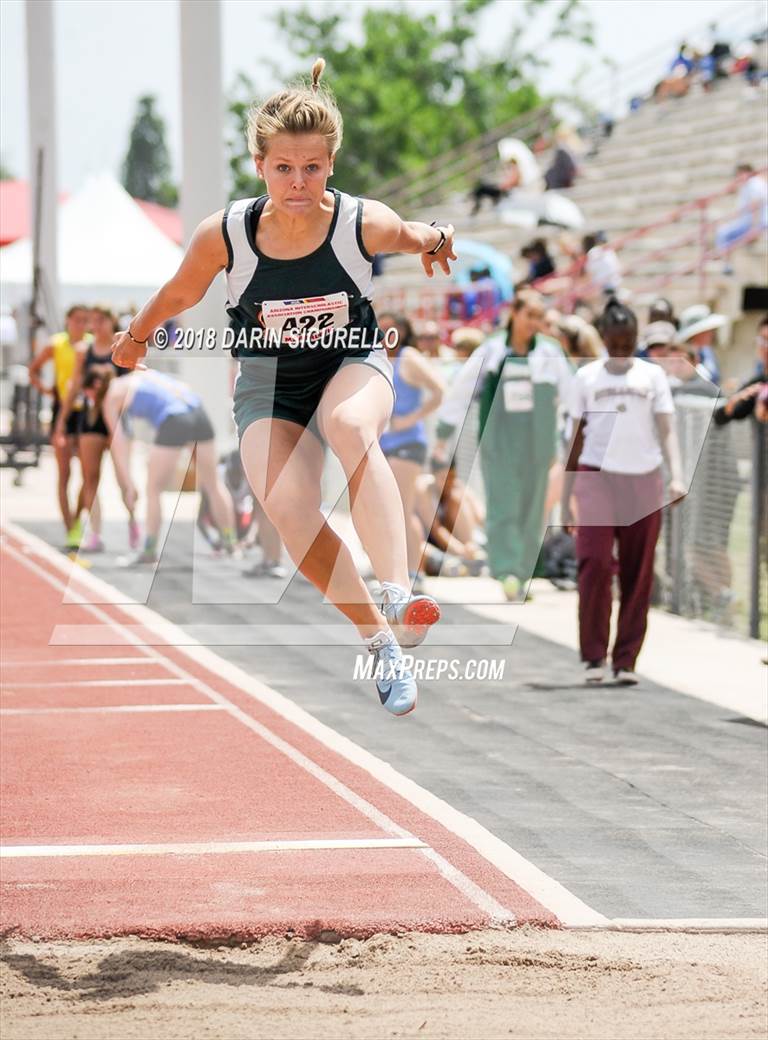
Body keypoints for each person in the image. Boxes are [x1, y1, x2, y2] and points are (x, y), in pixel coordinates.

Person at [111, 59, 456, 716]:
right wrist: (134, 338)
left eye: (313, 168)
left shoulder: (360, 222)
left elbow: (417, 234)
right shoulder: (230, 234)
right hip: (268, 383)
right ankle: (378, 640)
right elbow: (182, 291)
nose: (299, 183)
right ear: (260, 164)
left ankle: (395, 587)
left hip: (351, 359)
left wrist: (438, 237)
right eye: (284, 169)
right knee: (290, 508)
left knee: (352, 428)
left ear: (331, 164)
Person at [562, 299, 686, 686]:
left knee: (638, 570)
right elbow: (575, 438)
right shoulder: (587, 378)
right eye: (614, 342)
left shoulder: (652, 376)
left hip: (644, 479)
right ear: (603, 339)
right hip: (597, 476)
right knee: (595, 563)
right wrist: (566, 497)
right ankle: (594, 656)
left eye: (628, 342)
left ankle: (626, 659)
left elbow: (666, 429)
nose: (621, 349)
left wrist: (677, 475)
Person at [434, 289, 572, 600]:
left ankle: (523, 573)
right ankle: (507, 570)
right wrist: (444, 433)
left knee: (532, 507)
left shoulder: (550, 353)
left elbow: (573, 395)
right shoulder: (493, 350)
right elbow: (461, 390)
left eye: (539, 317)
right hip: (500, 442)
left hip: (537, 443)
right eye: (529, 316)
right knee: (503, 503)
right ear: (515, 314)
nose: (534, 323)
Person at [99, 368, 236, 566]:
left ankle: (149, 551)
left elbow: (117, 442)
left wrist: (127, 481)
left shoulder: (111, 395)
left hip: (173, 418)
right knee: (213, 484)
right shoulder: (142, 374)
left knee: (153, 489)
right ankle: (230, 542)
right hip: (198, 412)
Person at [53, 305, 137, 552]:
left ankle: (133, 523)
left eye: (101, 320)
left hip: (118, 420)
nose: (96, 325)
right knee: (90, 478)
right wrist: (61, 420)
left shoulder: (123, 346)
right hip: (90, 420)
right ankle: (95, 533)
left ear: (111, 322)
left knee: (124, 477)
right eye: (93, 321)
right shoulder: (84, 351)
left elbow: (133, 385)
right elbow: (75, 385)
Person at [378, 314, 445, 584]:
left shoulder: (408, 357)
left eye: (390, 328)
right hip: (384, 444)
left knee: (402, 509)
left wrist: (411, 418)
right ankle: (394, 571)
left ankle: (413, 572)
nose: (384, 333)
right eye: (379, 328)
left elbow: (440, 390)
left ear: (403, 331)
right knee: (385, 510)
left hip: (408, 443)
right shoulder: (378, 357)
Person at [28, 305, 90, 548]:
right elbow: (33, 370)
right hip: (61, 411)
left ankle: (76, 520)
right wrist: (47, 391)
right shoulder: (56, 344)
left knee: (89, 474)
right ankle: (70, 528)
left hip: (86, 413)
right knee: (65, 473)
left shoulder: (90, 345)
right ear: (67, 321)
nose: (81, 325)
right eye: (77, 320)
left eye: (85, 320)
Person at [713, 314, 768, 426]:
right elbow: (720, 417)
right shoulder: (758, 384)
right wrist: (733, 401)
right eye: (763, 340)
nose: (765, 346)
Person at [715, 163, 768, 256]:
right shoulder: (749, 184)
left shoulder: (754, 183)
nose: (738, 177)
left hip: (758, 223)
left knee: (723, 233)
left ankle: (725, 263)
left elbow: (755, 206)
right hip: (752, 222)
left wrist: (754, 229)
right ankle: (725, 261)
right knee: (725, 234)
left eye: (740, 174)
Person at [675, 305, 725, 383]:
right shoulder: (682, 356)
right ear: (697, 333)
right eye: (708, 330)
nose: (712, 333)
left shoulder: (707, 352)